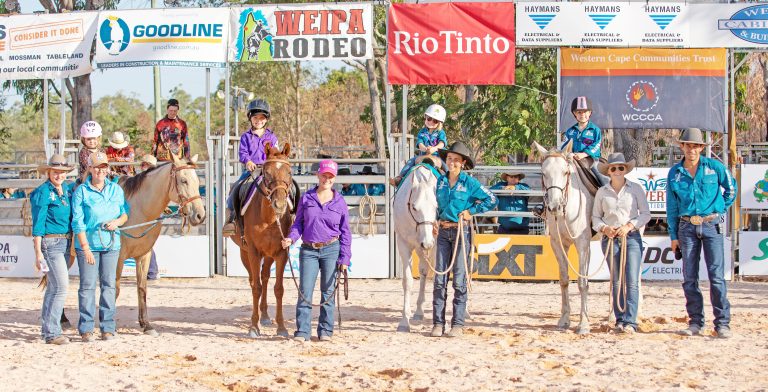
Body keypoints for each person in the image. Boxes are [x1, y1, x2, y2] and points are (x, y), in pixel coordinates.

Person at [666, 128, 737, 339]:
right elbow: (672, 207)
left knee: (716, 277)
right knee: (689, 278)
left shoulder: (715, 167)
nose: (692, 149)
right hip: (686, 227)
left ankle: (722, 323)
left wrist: (719, 209)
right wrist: (673, 236)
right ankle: (695, 322)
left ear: (701, 148)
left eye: (695, 146)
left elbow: (731, 189)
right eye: (688, 145)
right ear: (682, 147)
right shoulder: (675, 173)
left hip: (710, 225)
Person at [281, 159, 352, 342]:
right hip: (309, 250)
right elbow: (298, 224)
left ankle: (325, 330)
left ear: (334, 178)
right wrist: (291, 238)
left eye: (330, 176)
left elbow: (346, 232)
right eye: (324, 175)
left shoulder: (340, 202)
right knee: (305, 290)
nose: (326, 179)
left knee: (328, 292)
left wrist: (345, 259)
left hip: (331, 249)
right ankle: (303, 331)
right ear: (318, 175)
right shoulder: (306, 198)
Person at [432, 142, 497, 338]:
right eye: (449, 159)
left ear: (463, 163)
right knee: (439, 279)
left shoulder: (470, 183)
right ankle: (437, 323)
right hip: (443, 231)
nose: (451, 162)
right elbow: (437, 204)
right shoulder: (440, 181)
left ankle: (457, 324)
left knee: (459, 280)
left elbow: (492, 199)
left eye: (455, 160)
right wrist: (436, 219)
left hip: (462, 232)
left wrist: (471, 211)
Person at [71, 151, 129, 342]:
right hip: (89, 245)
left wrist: (117, 222)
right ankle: (86, 328)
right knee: (87, 287)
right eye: (96, 167)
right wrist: (85, 247)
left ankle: (108, 327)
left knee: (109, 285)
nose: (100, 171)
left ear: (107, 169)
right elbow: (77, 222)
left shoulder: (116, 190)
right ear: (90, 169)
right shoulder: (81, 191)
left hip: (112, 244)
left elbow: (124, 213)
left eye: (103, 167)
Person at [592, 153, 651, 334]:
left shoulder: (636, 189)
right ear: (608, 171)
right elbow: (595, 217)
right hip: (610, 239)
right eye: (613, 168)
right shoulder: (602, 192)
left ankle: (631, 321)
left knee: (632, 280)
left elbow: (645, 213)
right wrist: (604, 228)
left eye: (620, 168)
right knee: (616, 281)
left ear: (625, 170)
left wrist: (630, 225)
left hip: (631, 237)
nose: (617, 171)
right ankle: (620, 319)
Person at [30, 154, 75, 345]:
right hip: (51, 244)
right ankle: (53, 332)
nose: (59, 175)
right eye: (56, 172)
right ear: (48, 172)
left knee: (54, 288)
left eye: (63, 172)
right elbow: (38, 224)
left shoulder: (66, 189)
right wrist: (38, 252)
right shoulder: (42, 192)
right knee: (61, 288)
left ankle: (48, 330)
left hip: (65, 243)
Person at [222, 98, 279, 235]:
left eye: (261, 117)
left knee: (286, 188)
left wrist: (271, 163)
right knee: (236, 189)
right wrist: (248, 161)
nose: (258, 120)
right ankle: (231, 220)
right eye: (255, 117)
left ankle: (292, 215)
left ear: (266, 119)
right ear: (250, 118)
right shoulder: (245, 137)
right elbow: (242, 152)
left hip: (268, 171)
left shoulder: (272, 137)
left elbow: (276, 153)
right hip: (252, 171)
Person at [389, 104, 448, 187]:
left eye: (435, 121)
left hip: (438, 155)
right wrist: (424, 148)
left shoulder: (441, 132)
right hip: (423, 154)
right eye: (429, 119)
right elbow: (420, 143)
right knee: (411, 161)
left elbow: (442, 143)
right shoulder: (422, 132)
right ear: (425, 117)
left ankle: (451, 180)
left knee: (446, 164)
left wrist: (434, 149)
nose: (431, 122)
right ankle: (399, 178)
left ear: (439, 123)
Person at [561, 96, 607, 185]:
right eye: (579, 112)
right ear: (574, 113)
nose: (582, 114)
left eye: (585, 112)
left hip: (591, 159)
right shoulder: (570, 131)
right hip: (573, 158)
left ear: (590, 113)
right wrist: (570, 153)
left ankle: (607, 192)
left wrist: (584, 154)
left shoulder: (595, 130)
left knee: (601, 176)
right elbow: (564, 145)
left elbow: (596, 145)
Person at [138, 154, 160, 281]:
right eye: (146, 165)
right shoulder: (142, 179)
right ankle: (152, 271)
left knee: (147, 243)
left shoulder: (151, 181)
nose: (146, 168)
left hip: (149, 214)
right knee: (146, 243)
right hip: (144, 214)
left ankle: (152, 271)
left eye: (149, 166)